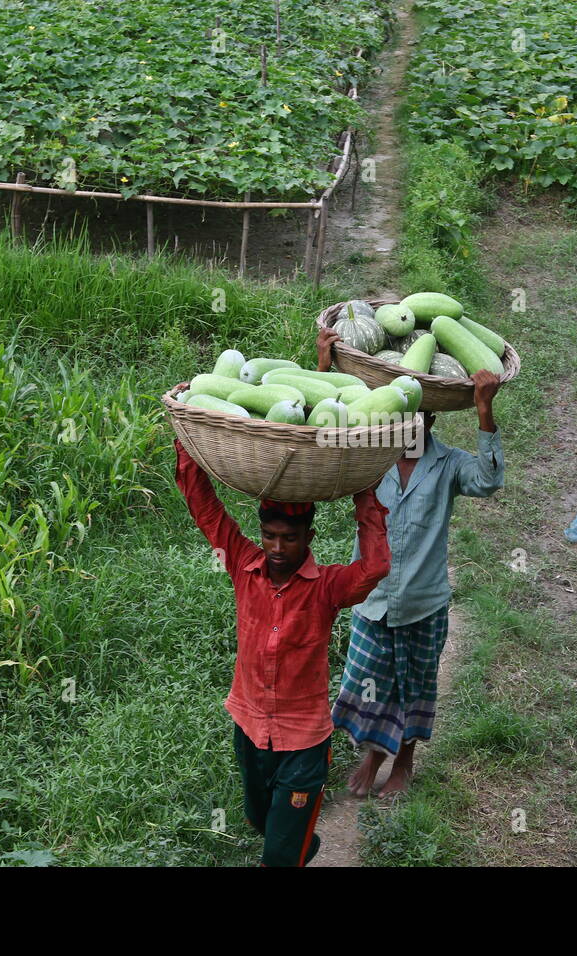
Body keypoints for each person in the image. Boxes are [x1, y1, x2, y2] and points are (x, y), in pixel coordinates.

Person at [173, 425, 391, 866]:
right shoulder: (242, 564)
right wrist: (185, 440)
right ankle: (301, 842)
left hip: (304, 741)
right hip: (250, 728)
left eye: (289, 538)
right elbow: (206, 511)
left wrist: (364, 495)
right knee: (260, 821)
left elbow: (374, 567)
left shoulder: (326, 586)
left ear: (308, 538)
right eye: (270, 535)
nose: (276, 547)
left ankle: (290, 848)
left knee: (276, 856)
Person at [317, 329, 505, 797]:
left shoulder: (448, 467)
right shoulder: (367, 460)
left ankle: (403, 764)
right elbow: (319, 443)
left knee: (415, 687)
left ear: (433, 421)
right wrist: (323, 368)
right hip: (372, 600)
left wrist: (484, 409)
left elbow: (489, 480)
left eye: (420, 421)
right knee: (365, 682)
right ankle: (371, 756)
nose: (410, 429)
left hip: (423, 603)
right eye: (403, 420)